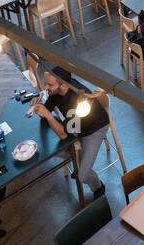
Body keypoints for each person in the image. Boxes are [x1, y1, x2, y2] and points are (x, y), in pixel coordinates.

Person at [30, 65, 110, 200]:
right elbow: (46, 110)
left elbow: (63, 134)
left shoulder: (78, 100)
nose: (46, 88)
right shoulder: (55, 92)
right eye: (45, 84)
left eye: (49, 85)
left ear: (62, 85)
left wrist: (48, 115)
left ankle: (98, 187)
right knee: (53, 150)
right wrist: (38, 107)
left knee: (83, 175)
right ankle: (76, 159)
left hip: (94, 129)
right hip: (77, 126)